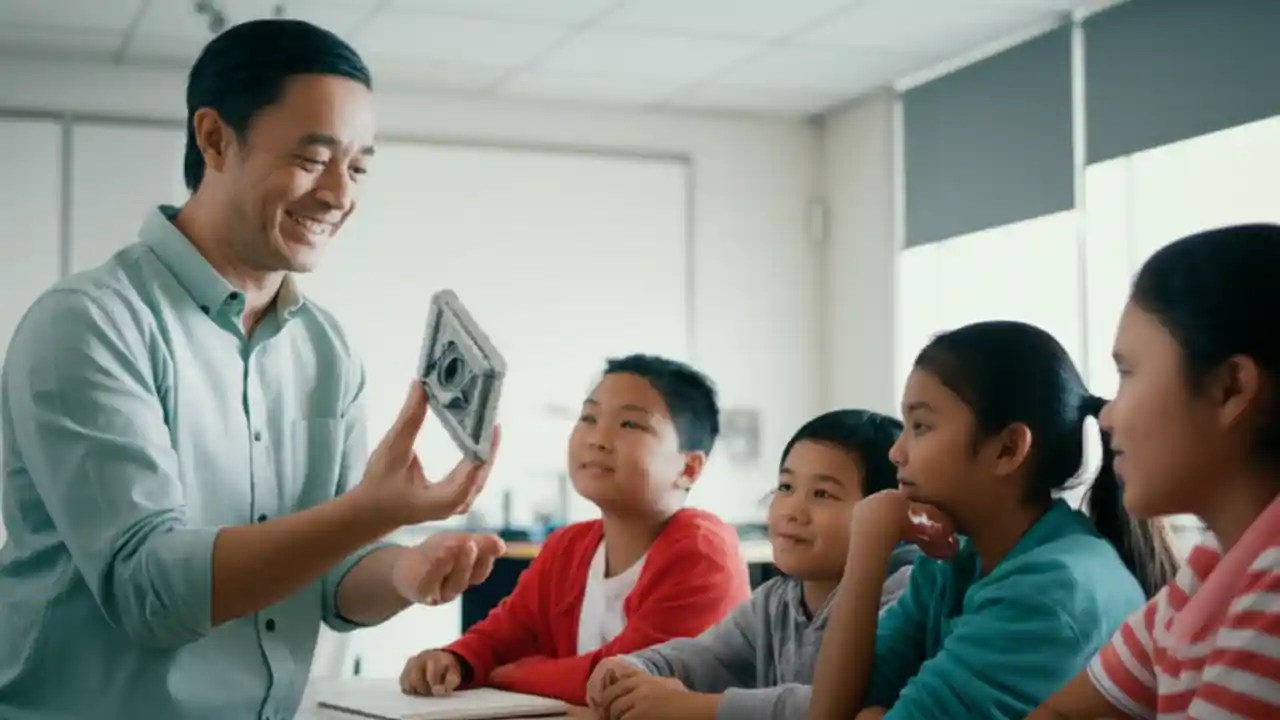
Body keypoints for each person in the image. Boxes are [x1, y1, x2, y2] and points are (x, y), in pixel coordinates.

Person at [0, 19, 504, 720]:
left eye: (357, 167)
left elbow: (328, 581)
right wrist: (366, 512)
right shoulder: (89, 324)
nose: (338, 195)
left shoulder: (325, 349)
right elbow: (149, 594)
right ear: (214, 139)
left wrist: (402, 571)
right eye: (311, 158)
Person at [809, 320, 1181, 720]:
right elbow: (836, 706)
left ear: (1007, 449)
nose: (896, 453)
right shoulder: (953, 559)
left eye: (921, 426)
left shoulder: (1052, 591)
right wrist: (868, 549)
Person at [1030, 224, 1280, 719]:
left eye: (1127, 373)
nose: (1105, 415)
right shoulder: (1212, 568)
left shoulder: (1271, 594)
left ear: (1230, 389)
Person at [399, 354, 752, 705]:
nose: (597, 439)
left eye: (630, 424)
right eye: (589, 417)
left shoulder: (703, 551)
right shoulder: (567, 546)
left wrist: (504, 674)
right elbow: (503, 634)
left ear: (689, 468)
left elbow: (623, 680)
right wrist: (455, 660)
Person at [585, 409, 918, 720]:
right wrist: (633, 668)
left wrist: (694, 707)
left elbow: (845, 705)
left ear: (884, 513)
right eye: (786, 487)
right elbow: (704, 657)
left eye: (822, 494)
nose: (791, 510)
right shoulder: (775, 601)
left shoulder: (904, 595)